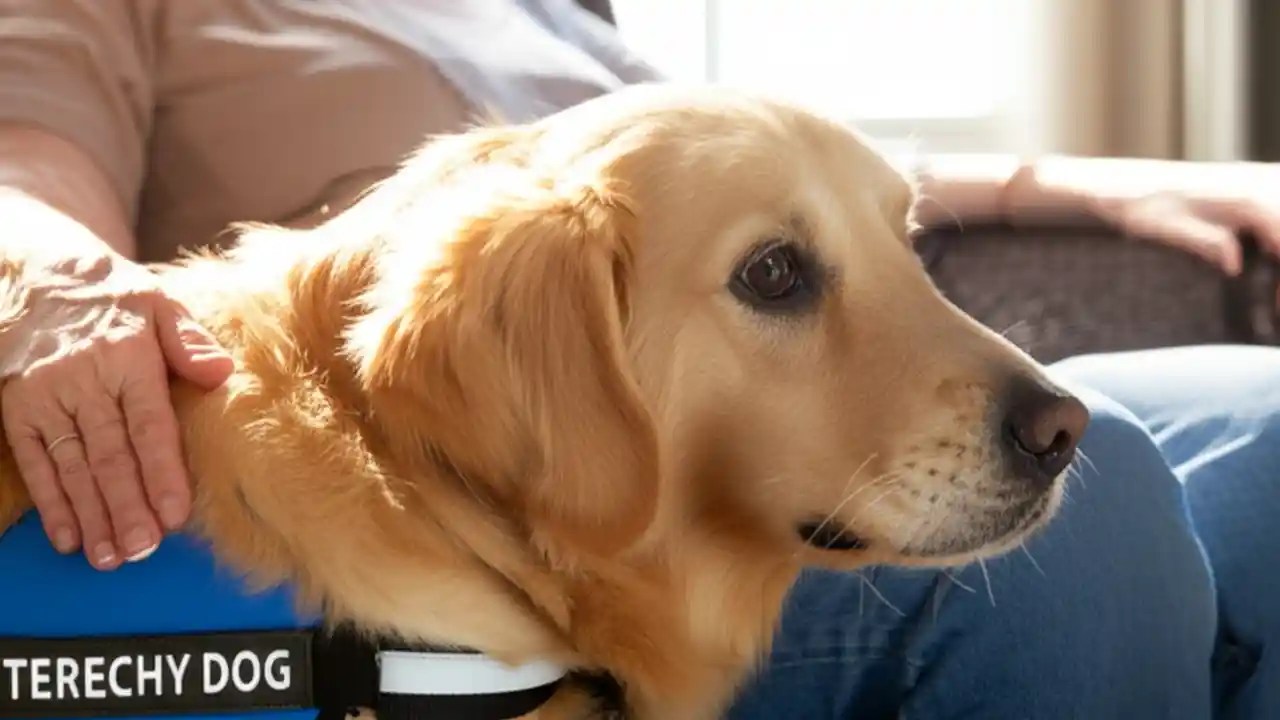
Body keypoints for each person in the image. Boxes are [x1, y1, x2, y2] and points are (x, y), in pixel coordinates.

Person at [0, 1, 1275, 717]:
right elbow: (25, 177)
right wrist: (51, 277)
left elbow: (770, 196)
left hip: (696, 360)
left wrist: (1086, 184)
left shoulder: (543, 8)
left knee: (1263, 441)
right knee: (1101, 543)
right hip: (539, 506)